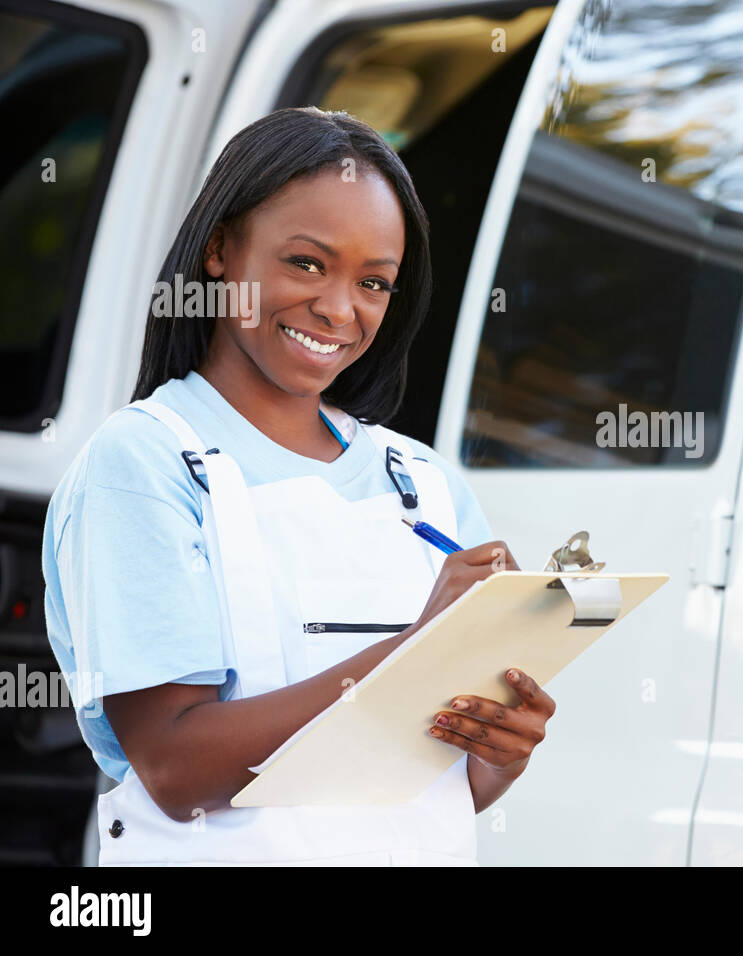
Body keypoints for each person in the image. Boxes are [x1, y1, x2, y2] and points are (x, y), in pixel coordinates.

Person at [40, 106, 555, 866]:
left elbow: (453, 785)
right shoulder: (142, 464)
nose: (339, 308)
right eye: (307, 263)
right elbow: (175, 768)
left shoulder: (427, 484)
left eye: (374, 282)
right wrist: (411, 654)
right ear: (220, 250)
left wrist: (499, 749)